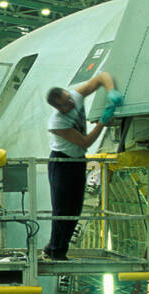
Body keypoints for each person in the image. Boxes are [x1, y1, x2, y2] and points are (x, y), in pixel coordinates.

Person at [43, 71, 122, 261]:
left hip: (77, 161)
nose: (71, 103)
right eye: (66, 104)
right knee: (62, 209)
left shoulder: (74, 97)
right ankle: (56, 251)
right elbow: (85, 142)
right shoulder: (58, 123)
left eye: (69, 98)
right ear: (58, 107)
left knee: (75, 208)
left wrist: (111, 90)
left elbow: (101, 77)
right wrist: (102, 122)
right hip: (62, 162)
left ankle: (55, 247)